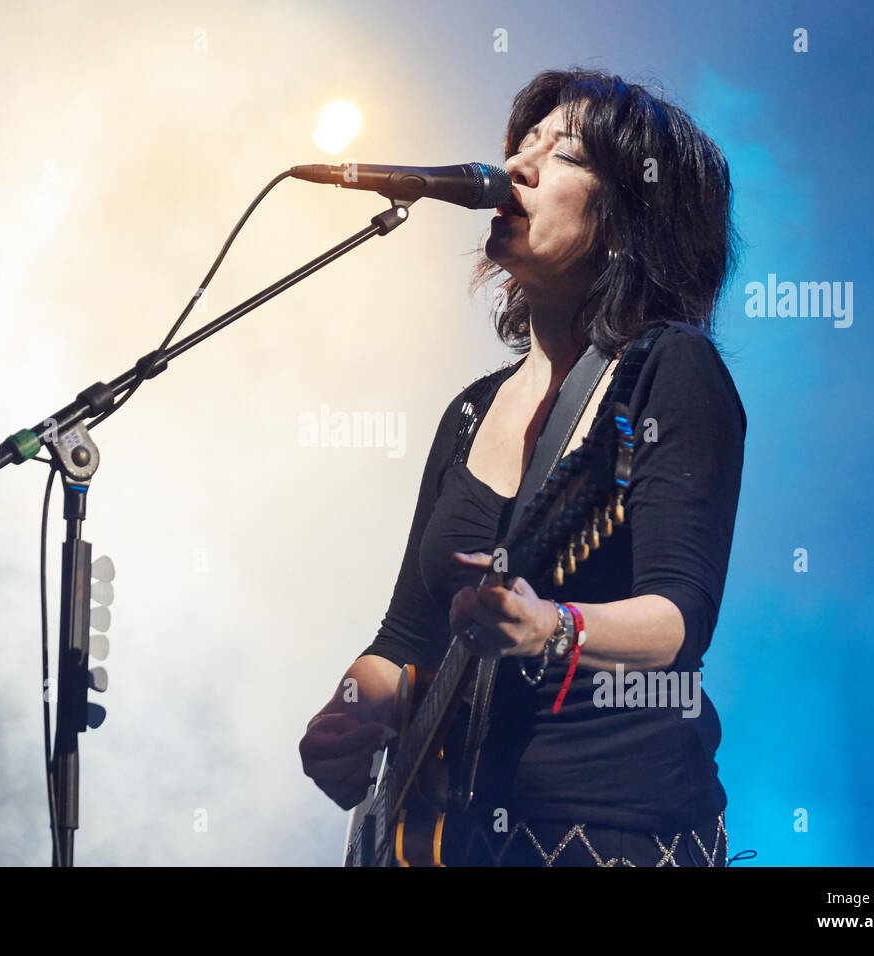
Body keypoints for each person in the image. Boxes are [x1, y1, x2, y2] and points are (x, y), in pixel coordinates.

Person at [299, 68, 747, 866]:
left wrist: (554, 627)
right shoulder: (470, 409)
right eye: (524, 143)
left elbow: (680, 621)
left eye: (565, 153)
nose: (520, 167)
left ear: (625, 219)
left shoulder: (668, 371)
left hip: (610, 833)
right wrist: (351, 713)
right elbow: (403, 635)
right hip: (451, 834)